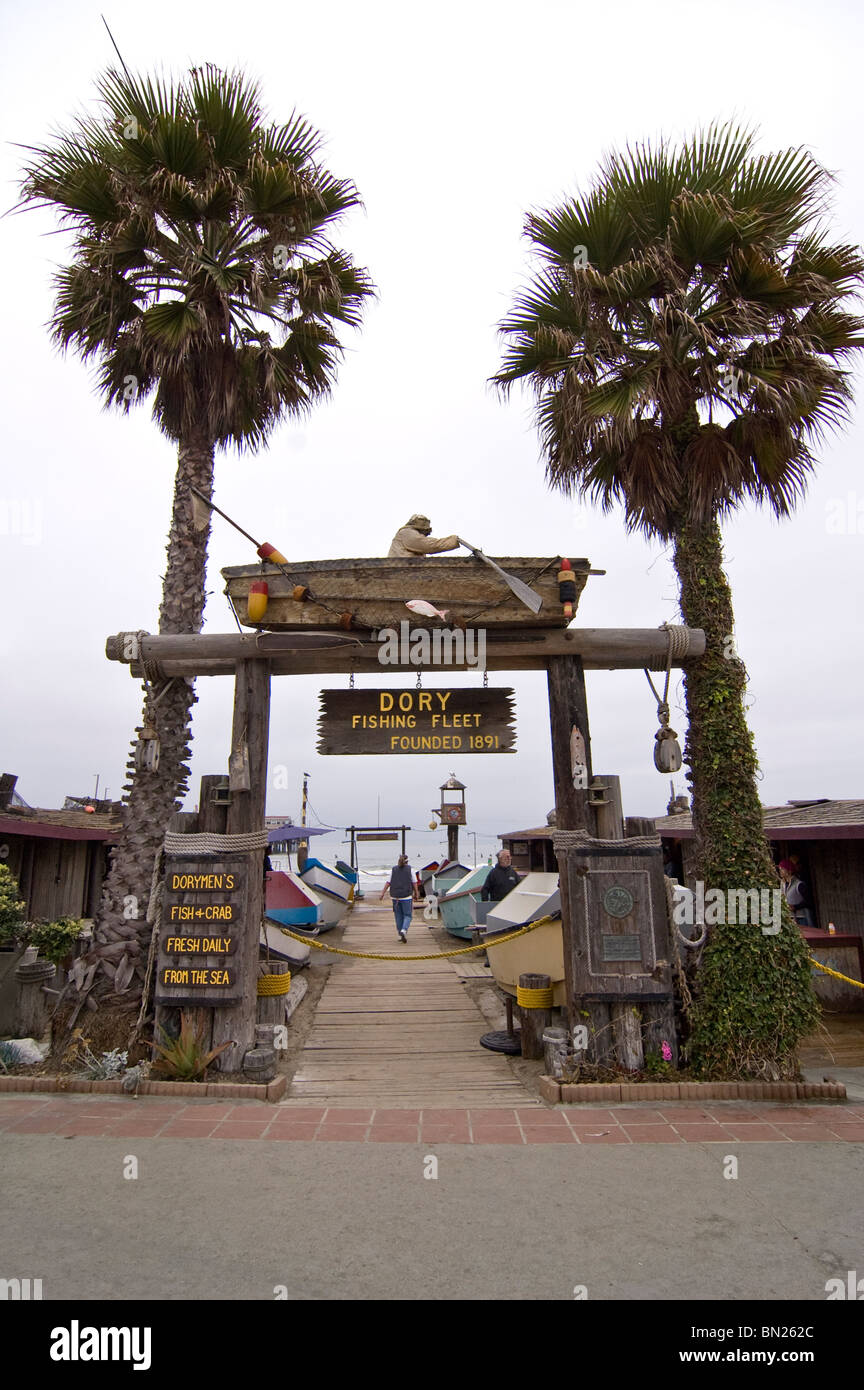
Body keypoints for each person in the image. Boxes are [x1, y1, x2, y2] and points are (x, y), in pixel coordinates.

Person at [388, 514, 460, 558]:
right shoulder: (406, 533)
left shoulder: (407, 534)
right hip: (403, 570)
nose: (426, 535)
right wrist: (452, 541)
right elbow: (428, 545)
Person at [381, 854, 415, 941]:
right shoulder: (411, 870)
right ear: (407, 861)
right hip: (406, 896)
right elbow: (414, 883)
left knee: (398, 916)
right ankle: (404, 930)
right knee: (408, 915)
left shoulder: (394, 869)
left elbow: (388, 882)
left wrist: (382, 893)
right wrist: (417, 893)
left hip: (395, 896)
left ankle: (400, 935)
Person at [778, 859, 816, 928]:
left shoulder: (799, 884)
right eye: (780, 869)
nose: (780, 871)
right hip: (789, 918)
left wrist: (795, 907)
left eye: (782, 869)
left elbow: (809, 901)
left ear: (789, 870)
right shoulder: (782, 884)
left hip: (802, 918)